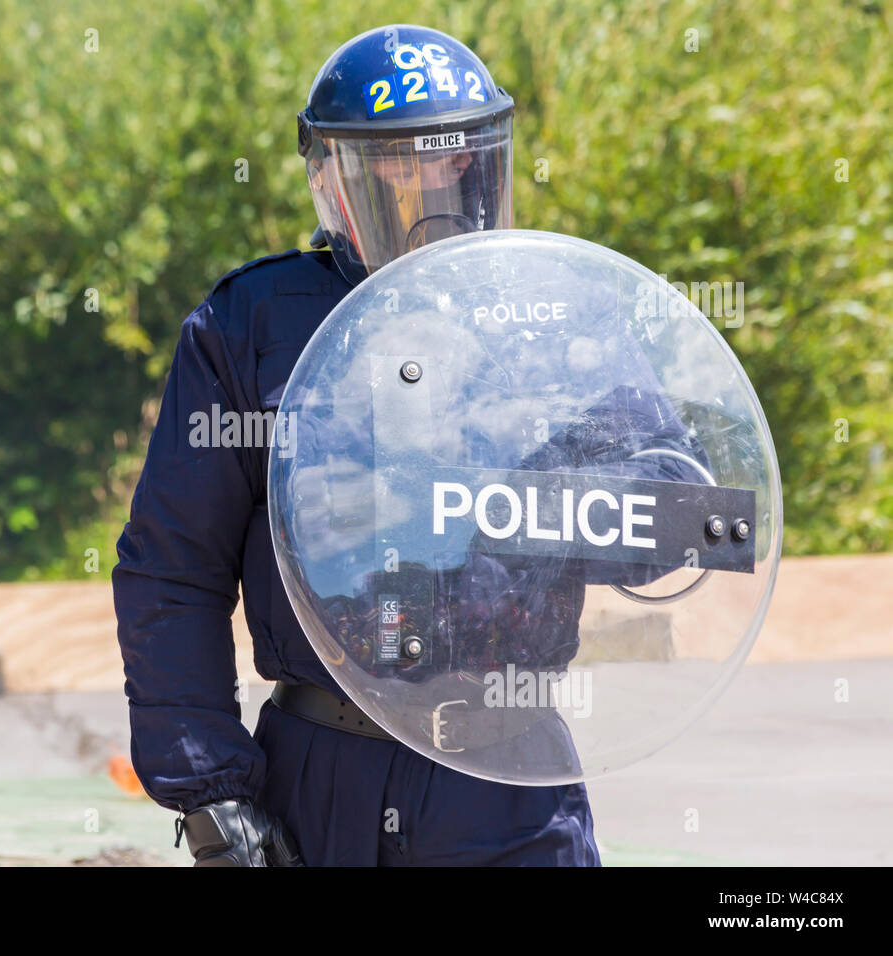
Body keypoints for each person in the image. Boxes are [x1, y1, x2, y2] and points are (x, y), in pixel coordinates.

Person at [113, 24, 603, 866]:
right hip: (318, 769)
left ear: (486, 165)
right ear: (333, 182)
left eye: (454, 163)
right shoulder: (249, 324)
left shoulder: (557, 313)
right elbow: (173, 569)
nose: (430, 195)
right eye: (394, 169)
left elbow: (665, 492)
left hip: (508, 769)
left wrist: (675, 507)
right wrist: (208, 791)